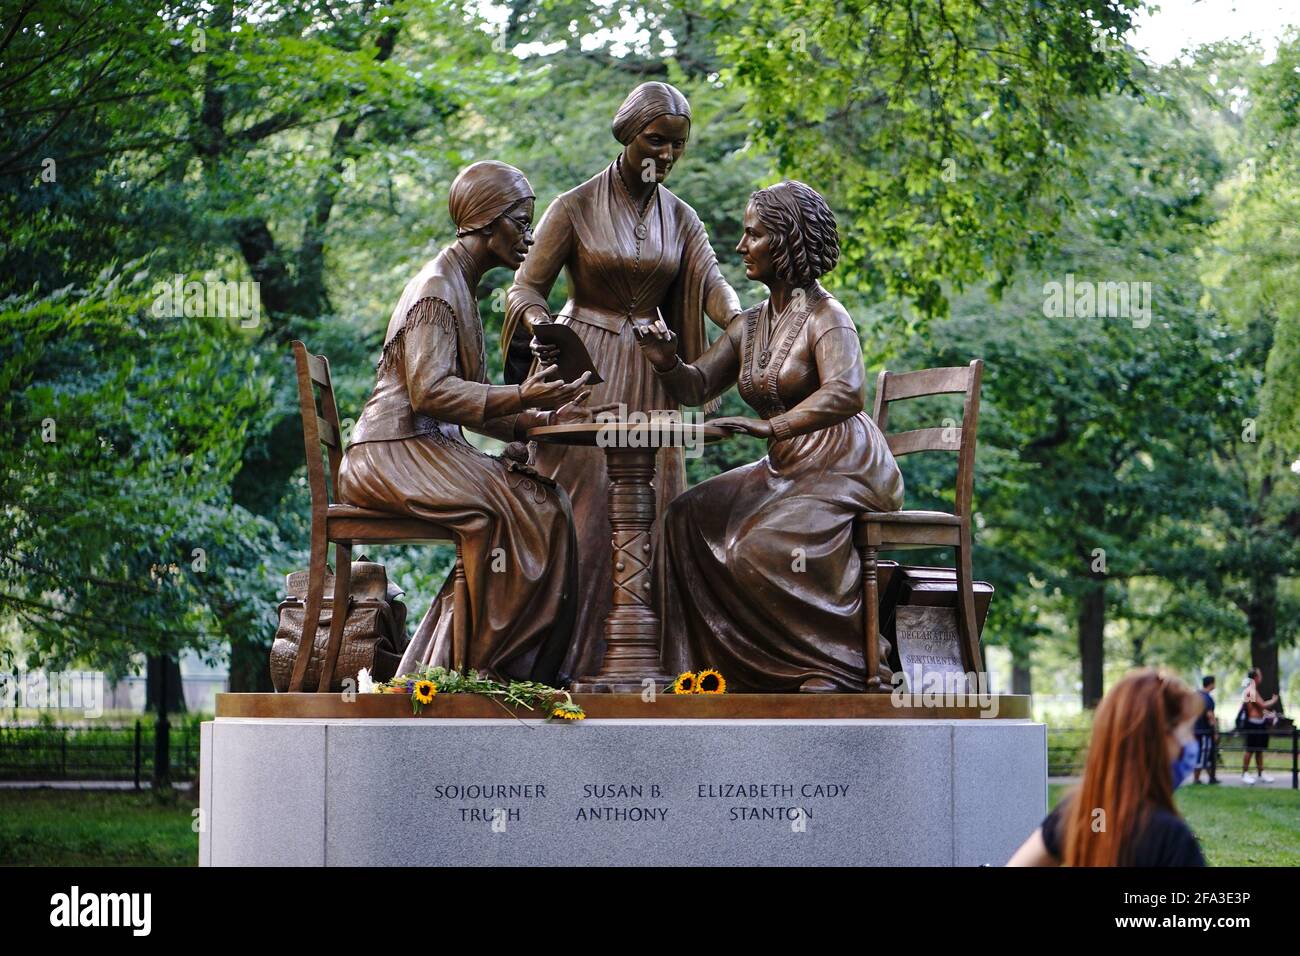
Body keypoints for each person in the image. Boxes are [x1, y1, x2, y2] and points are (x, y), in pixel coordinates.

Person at [503, 81, 741, 684]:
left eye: (677, 146)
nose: (664, 155)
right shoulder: (575, 205)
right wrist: (538, 325)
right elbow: (526, 287)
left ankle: (638, 666)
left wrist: (740, 320)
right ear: (627, 135)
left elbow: (711, 281)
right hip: (584, 366)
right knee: (581, 513)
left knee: (653, 512)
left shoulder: (681, 217)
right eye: (654, 141)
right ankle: (560, 666)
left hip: (653, 369)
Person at [634, 180, 904, 692]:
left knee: (755, 549)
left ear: (787, 243)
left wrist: (771, 425)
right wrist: (667, 360)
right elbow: (697, 386)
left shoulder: (828, 317)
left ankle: (836, 665)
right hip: (783, 466)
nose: (741, 247)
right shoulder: (752, 323)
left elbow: (847, 393)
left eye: (753, 235)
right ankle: (712, 673)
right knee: (682, 519)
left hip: (841, 462)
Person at [339, 160, 593, 685]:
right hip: (392, 451)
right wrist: (521, 393)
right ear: (484, 220)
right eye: (520, 222)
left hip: (424, 446)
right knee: (511, 510)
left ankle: (487, 662)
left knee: (548, 502)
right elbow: (429, 392)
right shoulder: (436, 289)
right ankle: (476, 664)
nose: (528, 236)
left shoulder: (461, 284)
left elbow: (468, 402)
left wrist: (535, 418)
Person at [1008, 669, 1206, 867]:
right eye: (1187, 731)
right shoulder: (1172, 839)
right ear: (1159, 740)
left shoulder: (1080, 813)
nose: (1190, 743)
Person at [1240, 667, 1279, 785]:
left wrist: (1269, 715)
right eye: (1260, 675)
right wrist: (1274, 700)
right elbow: (1262, 705)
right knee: (1250, 749)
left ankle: (1261, 773)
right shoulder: (1250, 690)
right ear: (1255, 677)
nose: (1261, 677)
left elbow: (1259, 709)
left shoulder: (1254, 690)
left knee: (1259, 750)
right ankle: (1245, 773)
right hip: (1253, 724)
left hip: (1259, 723)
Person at [1192, 675, 1218, 784]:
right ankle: (1196, 779)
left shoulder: (1196, 696)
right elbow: (1210, 715)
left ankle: (1211, 777)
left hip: (1195, 730)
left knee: (1204, 753)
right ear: (1211, 684)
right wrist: (1215, 731)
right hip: (1205, 731)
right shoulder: (1207, 698)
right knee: (1204, 753)